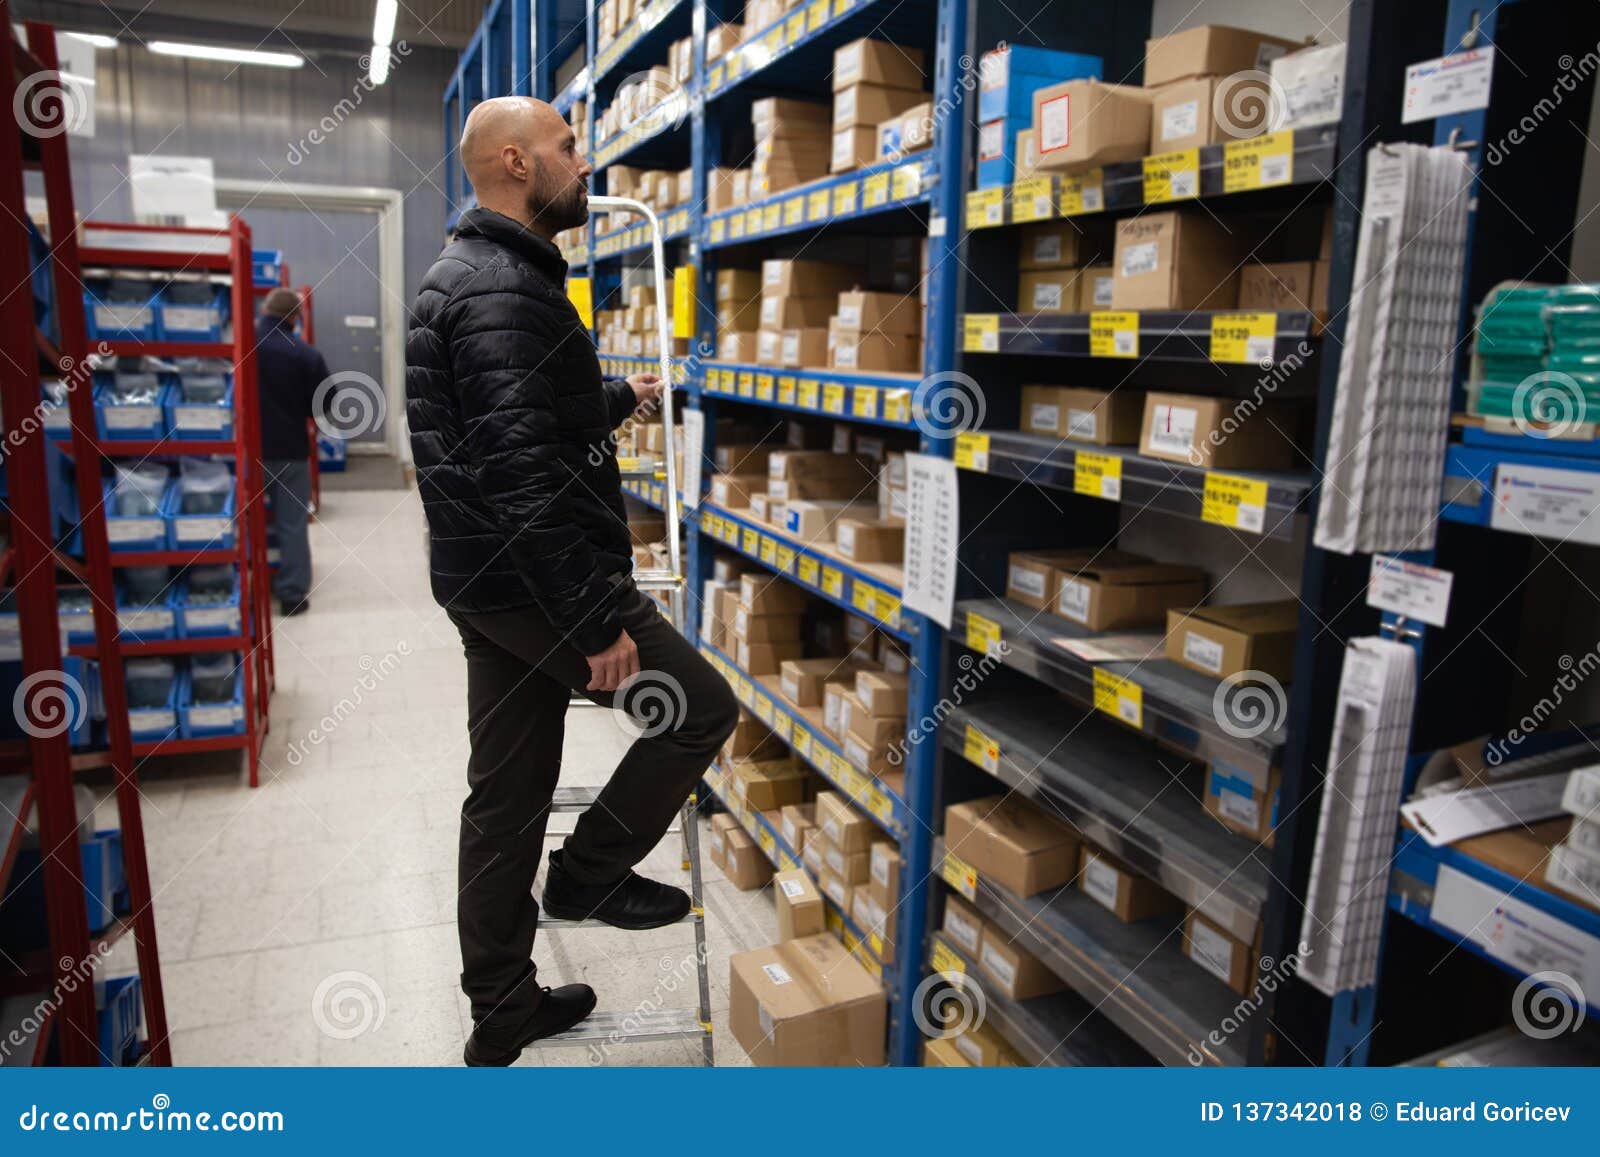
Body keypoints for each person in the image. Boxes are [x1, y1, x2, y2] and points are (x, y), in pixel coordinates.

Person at [405, 96, 738, 1067]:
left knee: (502, 800)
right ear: (514, 161)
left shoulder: (471, 276)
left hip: (484, 582)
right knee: (696, 710)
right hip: (538, 580)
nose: (581, 161)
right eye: (565, 146)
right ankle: (590, 875)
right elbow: (520, 471)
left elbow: (508, 419)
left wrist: (609, 400)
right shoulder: (507, 285)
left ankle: (503, 1005)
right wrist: (596, 620)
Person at [254, 287, 327, 617]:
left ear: (264, 310)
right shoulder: (304, 354)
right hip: (289, 452)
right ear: (295, 319)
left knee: (242, 523)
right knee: (292, 524)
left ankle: (243, 592)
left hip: (242, 453)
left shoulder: (239, 345)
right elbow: (325, 402)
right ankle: (292, 596)